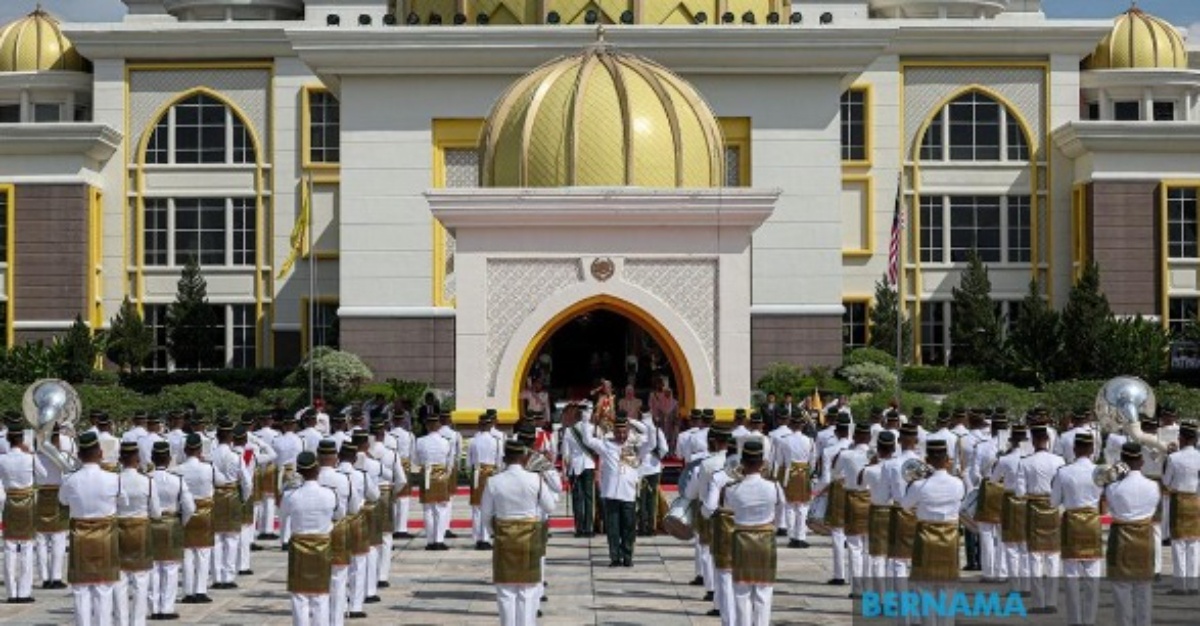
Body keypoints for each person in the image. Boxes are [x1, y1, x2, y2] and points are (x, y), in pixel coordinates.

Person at [482, 439, 557, 626]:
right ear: (524, 458)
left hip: (504, 537)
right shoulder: (535, 479)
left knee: (506, 591)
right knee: (528, 591)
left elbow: (485, 516)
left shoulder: (493, 481)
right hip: (530, 537)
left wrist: (496, 533)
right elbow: (550, 506)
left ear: (504, 458)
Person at [60, 432, 122, 626]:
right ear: (100, 453)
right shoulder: (113, 479)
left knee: (80, 589)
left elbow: (62, 501)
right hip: (106, 535)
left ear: (79, 454)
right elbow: (123, 501)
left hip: (80, 535)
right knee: (104, 587)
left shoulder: (70, 479)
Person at [902, 438, 965, 626]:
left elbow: (905, 506)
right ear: (947, 460)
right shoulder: (958, 484)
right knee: (948, 586)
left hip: (925, 537)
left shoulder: (919, 485)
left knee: (924, 586)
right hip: (950, 537)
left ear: (927, 460)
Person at [576, 413, 649, 568]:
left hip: (628, 493)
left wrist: (634, 420)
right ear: (614, 431)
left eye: (624, 432)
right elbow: (587, 440)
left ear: (628, 431)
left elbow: (651, 437)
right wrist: (586, 420)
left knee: (629, 528)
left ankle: (627, 557)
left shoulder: (635, 446)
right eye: (618, 432)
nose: (621, 435)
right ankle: (615, 557)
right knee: (613, 528)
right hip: (611, 493)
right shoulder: (605, 445)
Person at [726, 439, 784, 626]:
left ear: (742, 462)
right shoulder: (773, 487)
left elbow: (728, 507)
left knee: (741, 592)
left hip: (741, 538)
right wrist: (773, 523)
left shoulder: (733, 489)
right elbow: (781, 508)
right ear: (762, 463)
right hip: (765, 538)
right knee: (764, 592)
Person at [1051, 430, 1103, 626]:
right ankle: (1089, 620)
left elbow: (1053, 502)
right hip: (1092, 522)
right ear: (1091, 449)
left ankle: (1075, 620)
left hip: (1072, 522)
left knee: (1071, 574)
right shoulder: (1100, 471)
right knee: (1093, 573)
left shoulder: (1063, 472)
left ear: (1074, 449)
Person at [1106, 443, 1160, 626]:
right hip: (1144, 539)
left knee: (1121, 590)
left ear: (1122, 461)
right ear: (1142, 461)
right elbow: (1152, 509)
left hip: (1121, 539)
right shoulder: (1153, 486)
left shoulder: (1112, 488)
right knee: (1144, 590)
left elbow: (1112, 510)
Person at [281, 451, 338, 626]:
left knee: (300, 596)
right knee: (321, 595)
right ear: (317, 469)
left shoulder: (291, 496)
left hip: (299, 545)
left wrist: (288, 487)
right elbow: (339, 513)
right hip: (322, 545)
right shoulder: (329, 494)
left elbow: (283, 514)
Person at [1016, 424, 1064, 614]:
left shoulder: (1025, 462)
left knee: (1035, 556)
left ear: (1034, 441)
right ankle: (1051, 601)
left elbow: (1019, 492)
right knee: (1052, 554)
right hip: (1053, 507)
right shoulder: (1059, 460)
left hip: (1034, 507)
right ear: (1048, 441)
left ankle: (1038, 602)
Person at [115, 440, 161, 626]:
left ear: (120, 459)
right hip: (141, 530)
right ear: (137, 458)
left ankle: (121, 621)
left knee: (120, 579)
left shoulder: (115, 480)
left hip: (118, 530)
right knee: (141, 580)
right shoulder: (147, 482)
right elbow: (156, 512)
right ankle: (138, 622)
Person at [1, 415, 45, 604]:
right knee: (27, 547)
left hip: (10, 502)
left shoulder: (2, 459)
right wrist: (32, 454)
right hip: (26, 502)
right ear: (22, 439)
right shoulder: (29, 458)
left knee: (10, 547)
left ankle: (11, 592)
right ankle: (24, 591)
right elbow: (42, 475)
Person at [149, 440, 195, 621]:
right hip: (172, 521)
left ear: (152, 458)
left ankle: (154, 607)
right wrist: (181, 522)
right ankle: (166, 607)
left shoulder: (147, 478)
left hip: (152, 522)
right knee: (170, 567)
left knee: (152, 566)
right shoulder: (178, 480)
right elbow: (190, 507)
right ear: (168, 459)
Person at [175, 433, 216, 604]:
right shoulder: (208, 468)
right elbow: (219, 481)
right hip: (205, 511)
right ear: (200, 450)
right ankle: (201, 590)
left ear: (185, 450)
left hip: (185, 511)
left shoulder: (178, 470)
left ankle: (188, 591)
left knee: (187, 553)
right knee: (203, 552)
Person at [210, 422, 250, 591]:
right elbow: (246, 480)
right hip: (233, 494)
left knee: (217, 538)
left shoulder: (211, 455)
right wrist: (244, 498)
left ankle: (217, 576)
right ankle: (228, 576)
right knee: (232, 537)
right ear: (231, 437)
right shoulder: (235, 455)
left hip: (216, 495)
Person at [992, 424, 1029, 596]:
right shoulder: (1031, 458)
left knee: (1011, 546)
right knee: (1025, 545)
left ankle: (1015, 586)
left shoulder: (1005, 459)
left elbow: (993, 480)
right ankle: (1027, 585)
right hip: (1028, 501)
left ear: (1012, 442)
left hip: (1010, 500)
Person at [1162, 421, 1199, 595]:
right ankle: (1193, 584)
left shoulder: (1174, 458)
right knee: (1194, 544)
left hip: (1178, 500)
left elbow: (1166, 481)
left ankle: (1180, 584)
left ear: (1182, 438)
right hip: (1196, 500)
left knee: (1178, 543)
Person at [35, 423, 72, 591]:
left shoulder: (36, 456)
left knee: (42, 539)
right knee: (57, 538)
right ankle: (55, 577)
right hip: (58, 495)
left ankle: (45, 577)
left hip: (43, 495)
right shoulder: (63, 456)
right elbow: (70, 472)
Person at [369, 418, 405, 588]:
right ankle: (382, 575)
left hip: (368, 496)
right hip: (385, 492)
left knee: (370, 538)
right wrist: (393, 493)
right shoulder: (392, 453)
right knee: (386, 536)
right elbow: (401, 480)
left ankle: (371, 574)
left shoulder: (364, 454)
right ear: (383, 434)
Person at [817, 414, 852, 586]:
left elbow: (825, 479)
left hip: (838, 488)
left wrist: (816, 492)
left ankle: (840, 574)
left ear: (836, 432)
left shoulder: (829, 451)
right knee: (857, 537)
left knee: (838, 532)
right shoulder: (862, 450)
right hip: (859, 491)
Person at [775, 413, 815, 549]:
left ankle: (792, 537)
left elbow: (779, 461)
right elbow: (813, 462)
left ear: (791, 424)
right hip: (804, 473)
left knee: (790, 506)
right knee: (802, 506)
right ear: (803, 425)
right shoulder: (809, 441)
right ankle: (801, 536)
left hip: (789, 473)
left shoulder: (783, 440)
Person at [415, 414, 454, 550]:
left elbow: (416, 461)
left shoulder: (420, 441)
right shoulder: (445, 441)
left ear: (426, 426)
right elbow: (450, 462)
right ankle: (439, 540)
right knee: (441, 509)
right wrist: (447, 474)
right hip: (441, 475)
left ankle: (430, 541)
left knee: (428, 509)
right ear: (438, 426)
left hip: (426, 474)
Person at [862, 431, 894, 594]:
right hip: (895, 512)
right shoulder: (898, 467)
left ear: (878, 449)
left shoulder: (871, 470)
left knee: (877, 557)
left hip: (877, 512)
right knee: (893, 558)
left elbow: (861, 483)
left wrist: (870, 464)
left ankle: (880, 595)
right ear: (894, 448)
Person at [469, 413, 505, 550]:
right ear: (490, 425)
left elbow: (469, 463)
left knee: (476, 507)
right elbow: (500, 462)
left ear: (479, 425)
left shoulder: (473, 440)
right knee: (489, 506)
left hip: (477, 473)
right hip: (491, 474)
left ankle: (478, 537)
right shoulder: (496, 441)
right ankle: (486, 537)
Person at [560, 405, 597, 538]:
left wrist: (564, 472)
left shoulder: (569, 431)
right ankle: (588, 528)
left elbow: (565, 454)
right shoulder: (593, 429)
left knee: (577, 498)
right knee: (589, 498)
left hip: (574, 467)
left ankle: (579, 528)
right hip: (589, 465)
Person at [636, 410, 668, 536]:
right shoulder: (657, 431)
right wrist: (658, 457)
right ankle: (651, 526)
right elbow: (665, 448)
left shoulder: (636, 432)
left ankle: (642, 526)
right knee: (652, 498)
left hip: (640, 469)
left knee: (641, 498)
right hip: (654, 469)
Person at [389, 413, 416, 540]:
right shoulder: (409, 435)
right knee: (404, 499)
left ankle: (394, 526)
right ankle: (402, 528)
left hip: (391, 466)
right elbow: (413, 454)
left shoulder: (388, 435)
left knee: (393, 498)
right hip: (404, 465)